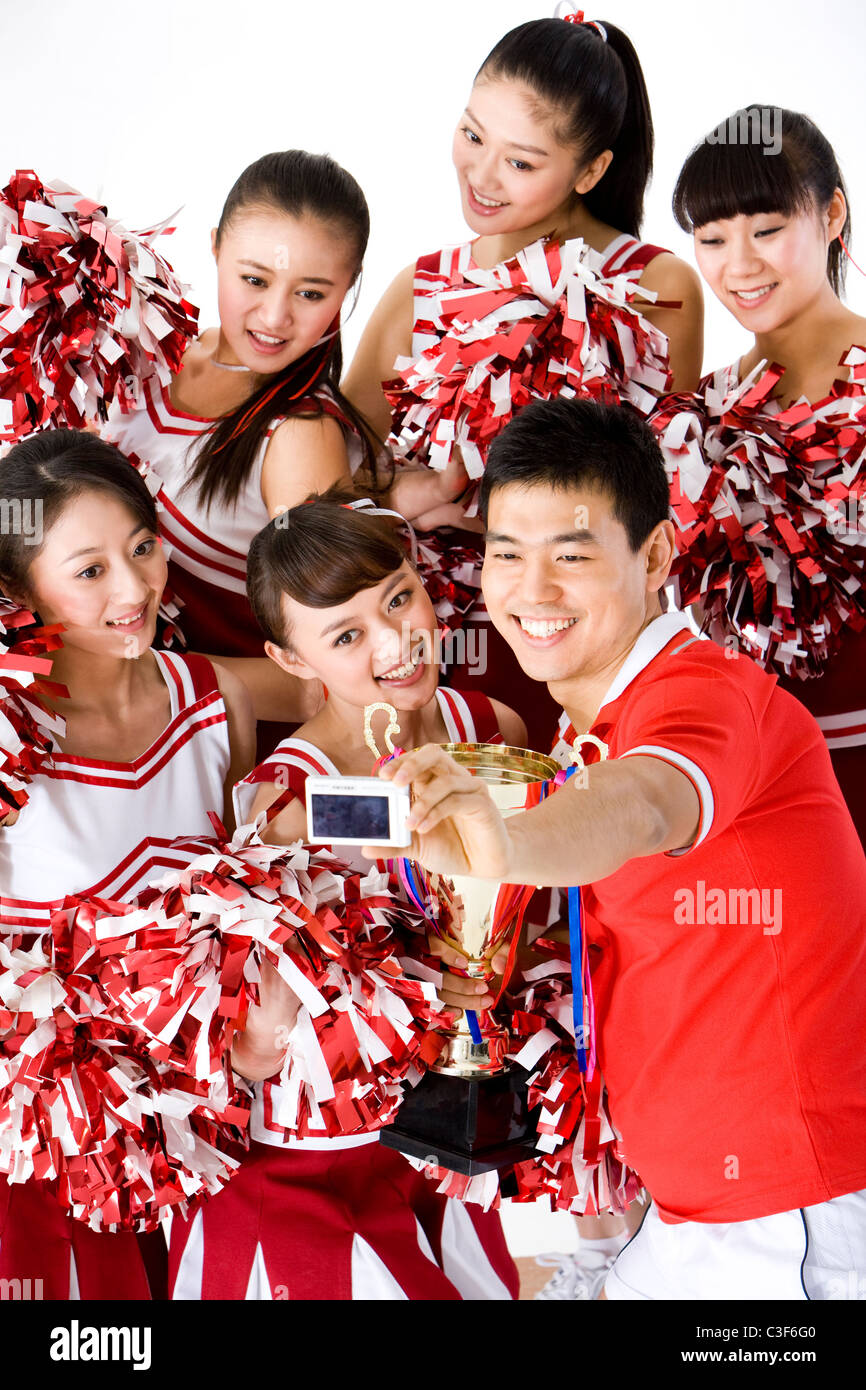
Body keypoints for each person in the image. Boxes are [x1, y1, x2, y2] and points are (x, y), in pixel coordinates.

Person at [372, 396, 866, 1301]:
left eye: (571, 555)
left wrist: (496, 842)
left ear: (656, 557)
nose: (531, 591)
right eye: (507, 556)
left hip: (783, 1212)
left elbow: (638, 807)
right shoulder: (580, 732)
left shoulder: (704, 698)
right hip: (686, 1209)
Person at [165, 490, 524, 1300]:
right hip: (315, 1157)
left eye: (400, 597)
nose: (397, 640)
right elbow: (258, 1026)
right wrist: (424, 978)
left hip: (449, 1126)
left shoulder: (493, 725)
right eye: (346, 635)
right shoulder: (283, 800)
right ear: (292, 660)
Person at [344, 12, 703, 748]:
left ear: (592, 171)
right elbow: (330, 482)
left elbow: (664, 498)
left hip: (589, 641)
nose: (480, 175)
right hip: (436, 650)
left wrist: (488, 524)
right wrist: (399, 495)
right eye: (473, 135)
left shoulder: (658, 286)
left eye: (521, 161)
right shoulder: (423, 287)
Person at [0, 429, 258, 1299]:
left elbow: (355, 682)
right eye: (89, 570)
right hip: (48, 1151)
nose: (136, 587)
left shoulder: (215, 698)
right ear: (15, 589)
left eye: (142, 547)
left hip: (209, 1134)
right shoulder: (7, 739)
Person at [103, 149, 381, 757]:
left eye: (312, 293)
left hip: (209, 756)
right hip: (99, 727)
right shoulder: (148, 354)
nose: (274, 317)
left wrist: (120, 673)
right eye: (253, 280)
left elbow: (327, 680)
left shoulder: (300, 435)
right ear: (214, 248)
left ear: (348, 288)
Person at [652, 104, 866, 844]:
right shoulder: (696, 413)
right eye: (711, 239)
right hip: (732, 785)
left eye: (767, 230)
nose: (738, 265)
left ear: (832, 214)